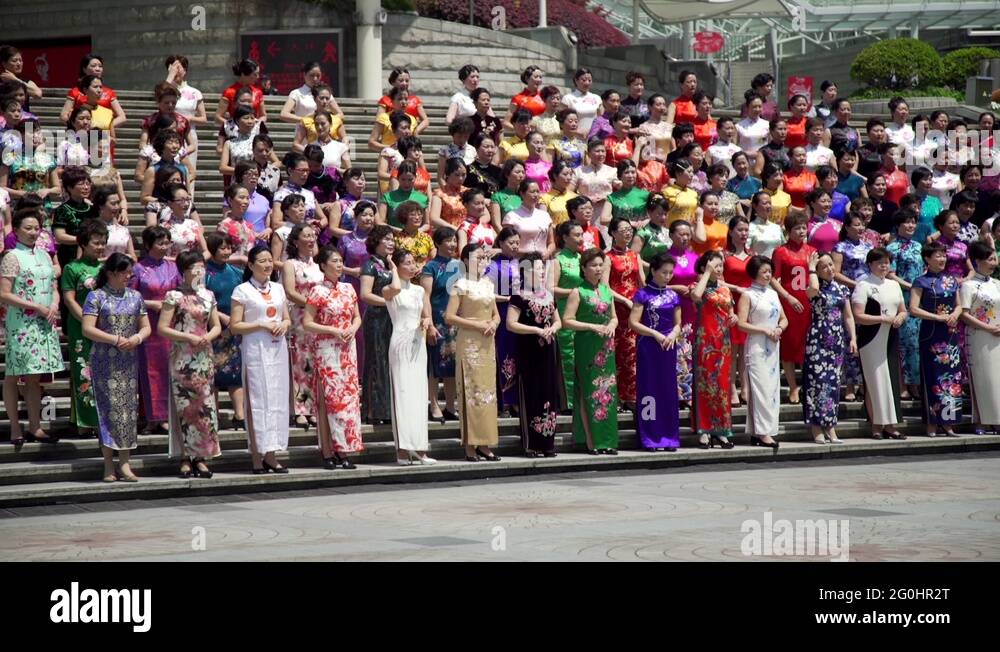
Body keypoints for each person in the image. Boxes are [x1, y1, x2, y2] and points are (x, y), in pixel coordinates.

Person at [81, 253, 151, 481]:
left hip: (128, 361)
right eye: (124, 272)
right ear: (111, 272)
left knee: (128, 411)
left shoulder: (136, 297)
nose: (129, 276)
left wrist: (137, 339)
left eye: (130, 272)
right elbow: (87, 329)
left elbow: (146, 327)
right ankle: (108, 465)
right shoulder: (96, 296)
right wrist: (115, 339)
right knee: (108, 410)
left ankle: (125, 463)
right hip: (104, 361)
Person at [1, 210, 65, 446]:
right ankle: (15, 427)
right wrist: (35, 306)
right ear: (16, 230)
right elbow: (4, 294)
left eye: (36, 228)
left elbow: (54, 285)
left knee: (35, 376)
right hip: (21, 323)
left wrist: (55, 303)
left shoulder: (46, 256)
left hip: (44, 320)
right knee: (14, 373)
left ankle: (35, 427)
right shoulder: (12, 256)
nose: (32, 232)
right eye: (27, 228)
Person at [158, 250, 222, 478]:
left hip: (203, 358)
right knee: (184, 407)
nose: (200, 272)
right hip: (183, 358)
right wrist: (188, 337)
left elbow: (216, 325)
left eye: (202, 267)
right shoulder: (173, 296)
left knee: (204, 407)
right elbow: (162, 328)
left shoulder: (208, 295)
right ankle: (185, 456)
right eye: (195, 268)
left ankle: (202, 457)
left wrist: (208, 336)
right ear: (184, 271)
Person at [230, 245, 292, 473]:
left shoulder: (278, 289)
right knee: (257, 400)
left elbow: (287, 319)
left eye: (269, 260)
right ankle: (257, 456)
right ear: (251, 264)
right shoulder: (242, 290)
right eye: (262, 261)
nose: (267, 265)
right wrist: (261, 325)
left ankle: (272, 455)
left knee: (276, 400)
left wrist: (283, 324)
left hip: (277, 349)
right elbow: (235, 326)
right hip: (255, 349)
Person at [304, 246, 365, 469]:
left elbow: (358, 316)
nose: (339, 265)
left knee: (347, 400)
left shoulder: (349, 288)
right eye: (335, 261)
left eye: (341, 261)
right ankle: (328, 451)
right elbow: (307, 322)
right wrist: (333, 330)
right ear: (323, 265)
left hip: (347, 348)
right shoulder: (317, 291)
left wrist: (352, 327)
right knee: (329, 400)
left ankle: (343, 449)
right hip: (327, 348)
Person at [445, 243, 502, 461]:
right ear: (466, 260)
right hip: (469, 342)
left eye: (485, 258)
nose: (483, 262)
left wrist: (494, 324)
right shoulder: (459, 284)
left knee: (488, 394)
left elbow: (496, 314)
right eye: (478, 257)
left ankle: (485, 443)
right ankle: (470, 445)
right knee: (472, 392)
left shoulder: (488, 284)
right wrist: (478, 325)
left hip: (487, 342)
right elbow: (449, 317)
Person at [562, 247, 620, 453]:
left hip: (606, 347)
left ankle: (608, 441)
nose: (598, 269)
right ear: (583, 268)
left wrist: (612, 326)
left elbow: (614, 317)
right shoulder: (578, 291)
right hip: (586, 346)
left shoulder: (606, 290)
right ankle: (592, 442)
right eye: (593, 265)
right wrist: (591, 326)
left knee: (607, 392)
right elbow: (567, 321)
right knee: (590, 391)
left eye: (600, 265)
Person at [383, 249, 437, 465]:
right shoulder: (389, 289)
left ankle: (420, 449)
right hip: (400, 343)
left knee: (418, 395)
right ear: (396, 266)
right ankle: (403, 450)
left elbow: (425, 314)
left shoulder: (419, 290)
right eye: (406, 262)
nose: (413, 266)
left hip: (417, 344)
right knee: (403, 395)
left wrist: (427, 322)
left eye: (414, 262)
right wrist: (392, 268)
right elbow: (396, 287)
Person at [505, 252, 561, 455]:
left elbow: (558, 320)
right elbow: (511, 324)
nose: (540, 271)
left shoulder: (547, 295)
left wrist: (552, 329)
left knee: (548, 393)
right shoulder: (519, 296)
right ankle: (531, 444)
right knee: (531, 393)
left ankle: (547, 444)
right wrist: (537, 330)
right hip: (528, 352)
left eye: (541, 268)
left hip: (547, 350)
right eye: (536, 268)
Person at [909, 243, 964, 437]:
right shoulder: (921, 281)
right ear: (927, 259)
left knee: (952, 376)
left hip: (950, 333)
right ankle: (932, 422)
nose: (941, 259)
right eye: (937, 256)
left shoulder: (952, 280)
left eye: (943, 255)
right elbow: (913, 309)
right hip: (931, 333)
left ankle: (948, 422)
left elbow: (959, 305)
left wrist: (955, 315)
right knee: (933, 376)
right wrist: (937, 317)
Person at [852, 248, 908, 439]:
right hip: (871, 338)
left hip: (890, 336)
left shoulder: (893, 284)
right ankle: (876, 425)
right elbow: (858, 316)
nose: (884, 266)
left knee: (890, 379)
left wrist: (900, 317)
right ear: (870, 264)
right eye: (879, 262)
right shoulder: (863, 285)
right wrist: (882, 319)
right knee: (874, 381)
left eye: (886, 262)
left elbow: (903, 309)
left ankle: (891, 425)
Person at [629, 252, 682, 450]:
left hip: (668, 347)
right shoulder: (642, 294)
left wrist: (673, 334)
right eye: (664, 272)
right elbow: (633, 323)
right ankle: (650, 437)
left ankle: (669, 437)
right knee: (649, 390)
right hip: (649, 347)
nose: (668, 277)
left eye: (670, 273)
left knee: (667, 390)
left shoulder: (673, 295)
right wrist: (656, 334)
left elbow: (678, 323)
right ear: (653, 271)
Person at [131, 226, 181, 434]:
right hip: (147, 324)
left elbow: (181, 291)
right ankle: (151, 417)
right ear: (149, 245)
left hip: (170, 324)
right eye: (160, 243)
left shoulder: (173, 267)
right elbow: (130, 295)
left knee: (169, 369)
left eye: (167, 242)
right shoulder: (137, 268)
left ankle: (168, 416)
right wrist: (151, 304)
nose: (165, 247)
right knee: (150, 371)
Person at [803, 251, 856, 444]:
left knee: (833, 385)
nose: (829, 269)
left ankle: (831, 426)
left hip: (837, 340)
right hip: (818, 339)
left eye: (831, 265)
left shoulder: (842, 289)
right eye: (823, 266)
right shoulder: (813, 288)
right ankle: (816, 426)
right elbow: (814, 289)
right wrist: (811, 269)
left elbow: (848, 316)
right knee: (817, 383)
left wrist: (853, 338)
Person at [60, 220, 107, 435]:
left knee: (102, 371)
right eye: (95, 243)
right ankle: (85, 422)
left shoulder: (106, 267)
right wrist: (87, 322)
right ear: (84, 243)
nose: (100, 247)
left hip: (105, 327)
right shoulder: (72, 268)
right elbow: (69, 300)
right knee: (83, 371)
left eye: (103, 243)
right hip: (80, 325)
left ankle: (100, 419)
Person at [738, 255, 787, 448]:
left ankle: (763, 431)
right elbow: (742, 324)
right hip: (757, 345)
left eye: (770, 271)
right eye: (764, 271)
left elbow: (784, 318)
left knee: (772, 388)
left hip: (773, 345)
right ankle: (762, 432)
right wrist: (764, 330)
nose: (768, 275)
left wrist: (779, 328)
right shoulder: (748, 295)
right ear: (754, 273)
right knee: (760, 388)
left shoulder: (773, 294)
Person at [691, 250, 737, 448]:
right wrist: (706, 274)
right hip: (705, 342)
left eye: (720, 266)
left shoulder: (725, 289)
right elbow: (695, 296)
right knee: (704, 385)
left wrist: (734, 317)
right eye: (714, 266)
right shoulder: (698, 286)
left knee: (721, 387)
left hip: (723, 343)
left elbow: (731, 311)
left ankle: (721, 430)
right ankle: (704, 431)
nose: (718, 269)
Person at [771, 212, 816, 404]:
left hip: (808, 301)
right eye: (797, 228)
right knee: (789, 346)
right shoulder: (781, 252)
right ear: (788, 231)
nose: (801, 231)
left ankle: (808, 384)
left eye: (803, 228)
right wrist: (787, 297)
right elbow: (773, 278)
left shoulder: (811, 251)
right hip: (789, 301)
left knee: (808, 345)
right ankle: (792, 387)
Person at [282, 224, 323, 428]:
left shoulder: (318, 265)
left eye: (313, 235)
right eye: (306, 236)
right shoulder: (290, 264)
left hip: (319, 320)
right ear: (296, 241)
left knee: (315, 364)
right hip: (300, 317)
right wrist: (312, 305)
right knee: (300, 363)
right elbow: (289, 291)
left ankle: (313, 407)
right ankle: (300, 409)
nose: (311, 239)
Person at [204, 232, 246, 430]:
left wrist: (235, 321)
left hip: (234, 327)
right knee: (212, 375)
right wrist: (221, 319)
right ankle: (214, 414)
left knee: (235, 373)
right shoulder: (205, 273)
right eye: (222, 248)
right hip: (212, 327)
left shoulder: (236, 271)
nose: (226, 251)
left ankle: (240, 414)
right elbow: (203, 299)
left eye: (229, 247)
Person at [960, 242, 1000, 434]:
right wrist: (987, 327)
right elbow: (964, 314)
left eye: (994, 259)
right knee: (982, 377)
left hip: (997, 335)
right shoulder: (968, 286)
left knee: (997, 378)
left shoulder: (997, 284)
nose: (993, 263)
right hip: (978, 335)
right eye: (989, 259)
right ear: (977, 261)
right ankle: (981, 420)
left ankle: (997, 419)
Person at [359, 225, 395, 425]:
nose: (391, 243)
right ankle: (374, 411)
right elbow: (365, 294)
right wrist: (389, 303)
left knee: (389, 363)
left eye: (392, 239)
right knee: (376, 362)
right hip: (376, 318)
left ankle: (387, 410)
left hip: (392, 318)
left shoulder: (391, 265)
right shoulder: (370, 265)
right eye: (387, 239)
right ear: (376, 241)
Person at [886, 210, 924, 399]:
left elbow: (924, 268)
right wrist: (912, 286)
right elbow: (890, 274)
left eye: (913, 222)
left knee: (917, 343)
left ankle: (915, 383)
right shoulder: (892, 248)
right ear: (898, 225)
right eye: (907, 222)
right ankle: (902, 383)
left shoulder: (918, 246)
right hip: (902, 298)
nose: (910, 226)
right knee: (904, 342)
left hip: (920, 299)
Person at [487, 227, 521, 416]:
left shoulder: (519, 263)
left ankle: (516, 399)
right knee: (504, 354)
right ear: (500, 243)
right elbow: (486, 292)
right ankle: (504, 401)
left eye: (517, 242)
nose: (515, 246)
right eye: (511, 242)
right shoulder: (493, 266)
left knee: (516, 354)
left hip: (517, 314)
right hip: (501, 312)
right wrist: (507, 299)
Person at [553, 221, 584, 410]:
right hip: (565, 312)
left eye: (582, 234)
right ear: (564, 238)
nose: (581, 238)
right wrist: (574, 292)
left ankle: (583, 397)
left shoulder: (584, 258)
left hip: (584, 313)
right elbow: (551, 289)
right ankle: (568, 401)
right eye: (576, 235)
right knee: (568, 355)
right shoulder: (558, 260)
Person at [51, 166, 98, 269]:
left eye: (88, 183)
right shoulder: (63, 209)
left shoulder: (93, 209)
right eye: (81, 184)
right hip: (69, 257)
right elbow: (60, 236)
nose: (86, 187)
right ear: (69, 187)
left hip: (92, 256)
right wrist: (84, 241)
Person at [502, 179, 554, 258]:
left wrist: (547, 252)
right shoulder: (511, 217)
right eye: (532, 192)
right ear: (522, 193)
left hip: (543, 261)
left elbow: (551, 242)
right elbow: (506, 245)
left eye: (538, 191)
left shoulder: (545, 215)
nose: (536, 195)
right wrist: (530, 255)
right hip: (520, 262)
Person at [216, 58, 265, 124]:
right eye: (255, 74)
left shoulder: (258, 92)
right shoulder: (229, 92)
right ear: (243, 74)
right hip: (234, 130)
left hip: (253, 129)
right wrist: (233, 126)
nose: (258, 77)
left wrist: (256, 124)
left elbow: (263, 116)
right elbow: (218, 117)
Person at [91, 186, 135, 259]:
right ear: (101, 205)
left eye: (118, 203)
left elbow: (133, 257)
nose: (117, 207)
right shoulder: (91, 228)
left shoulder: (123, 230)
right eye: (113, 204)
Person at [746, 191, 785, 258]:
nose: (768, 206)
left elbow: (784, 248)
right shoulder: (750, 227)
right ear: (755, 206)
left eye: (770, 203)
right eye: (765, 203)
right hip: (759, 266)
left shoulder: (776, 227)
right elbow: (746, 250)